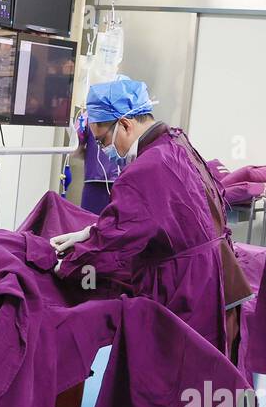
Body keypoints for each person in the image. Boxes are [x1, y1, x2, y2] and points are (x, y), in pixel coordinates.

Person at [50, 77, 251, 359]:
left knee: (177, 374)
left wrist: (71, 264)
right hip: (214, 279)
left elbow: (117, 238)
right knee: (208, 372)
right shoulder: (176, 142)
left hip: (188, 290)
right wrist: (90, 231)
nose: (105, 150)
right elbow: (164, 214)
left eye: (103, 140)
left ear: (125, 124)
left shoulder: (147, 168)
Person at [73, 110, 121, 214]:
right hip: (120, 181)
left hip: (95, 182)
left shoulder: (90, 114)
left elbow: (75, 147)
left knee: (91, 221)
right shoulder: (128, 112)